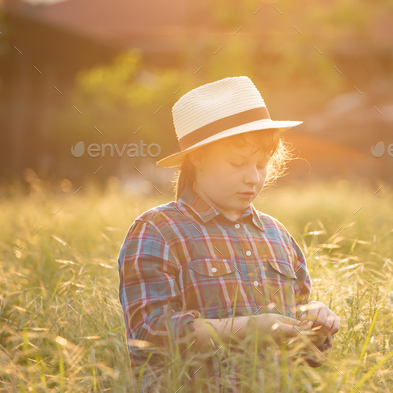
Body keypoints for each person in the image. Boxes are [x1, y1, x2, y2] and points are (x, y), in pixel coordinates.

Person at [118, 76, 340, 392]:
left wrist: (316, 328)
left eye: (262, 164)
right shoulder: (158, 231)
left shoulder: (278, 236)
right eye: (237, 163)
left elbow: (306, 360)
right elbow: (151, 334)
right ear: (197, 157)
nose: (253, 178)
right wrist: (252, 327)